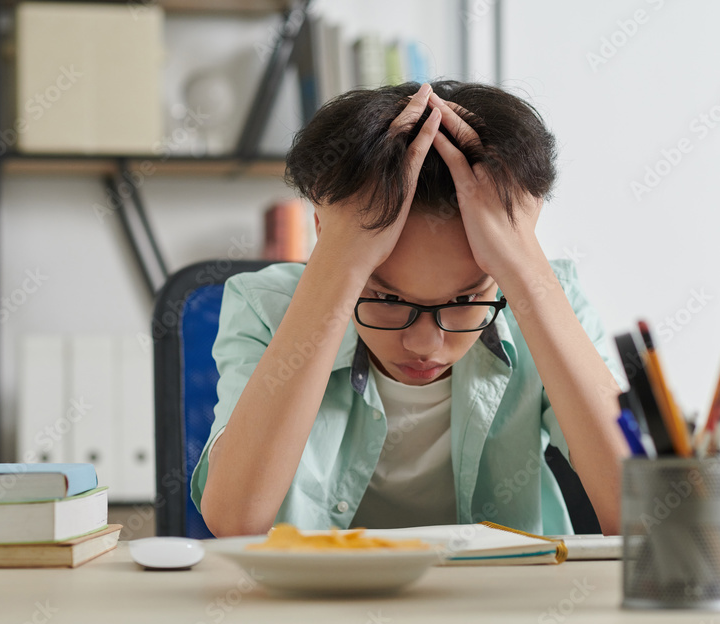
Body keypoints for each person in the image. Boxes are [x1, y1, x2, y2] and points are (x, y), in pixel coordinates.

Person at [192, 80, 629, 537]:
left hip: (502, 606)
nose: (424, 345)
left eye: (464, 300)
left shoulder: (543, 299)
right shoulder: (266, 306)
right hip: (318, 606)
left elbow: (647, 516)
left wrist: (525, 270)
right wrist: (338, 268)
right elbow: (236, 522)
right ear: (326, 235)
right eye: (384, 297)